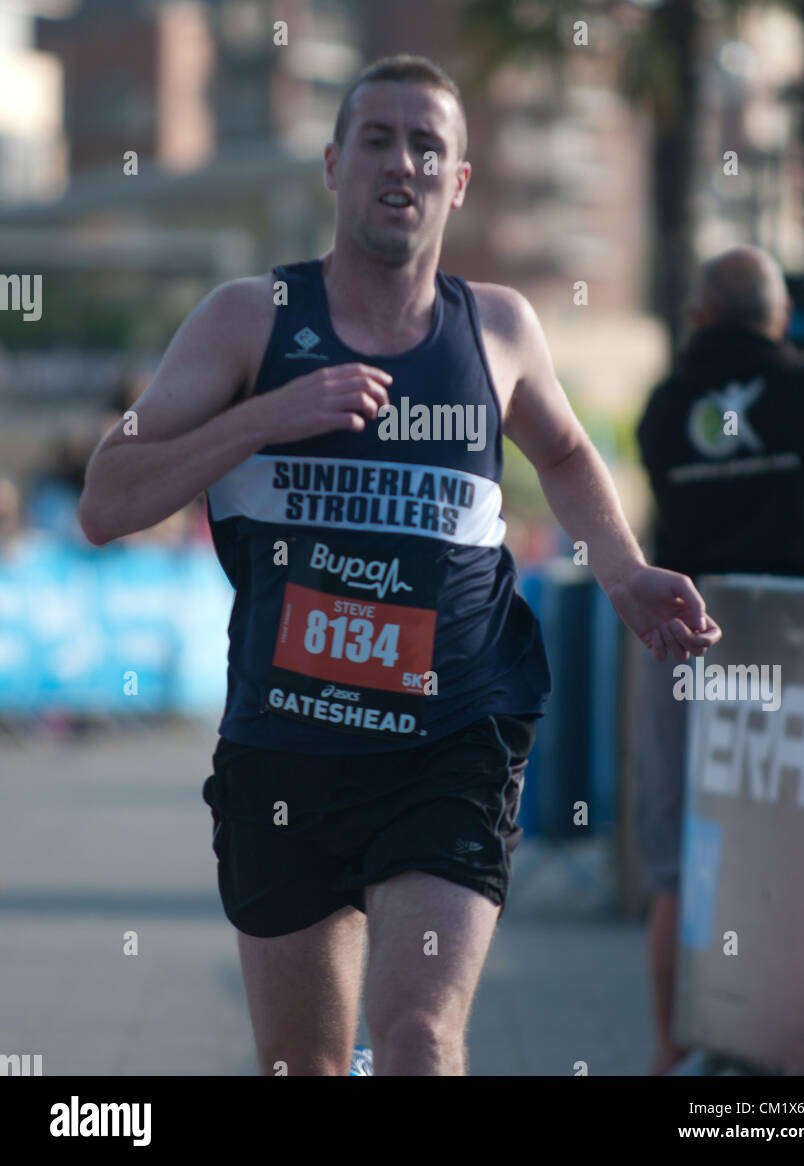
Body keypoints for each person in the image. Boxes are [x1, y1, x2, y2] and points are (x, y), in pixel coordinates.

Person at [78, 53, 721, 1077]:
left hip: (449, 741)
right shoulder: (250, 319)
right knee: (305, 1063)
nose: (402, 162)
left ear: (458, 181)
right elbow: (107, 498)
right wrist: (265, 416)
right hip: (284, 745)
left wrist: (623, 570)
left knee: (420, 1038)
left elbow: (558, 449)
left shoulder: (497, 326)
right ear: (334, 166)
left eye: (428, 146)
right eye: (377, 138)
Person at [635, 244, 804, 1075]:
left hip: (688, 652)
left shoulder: (665, 408)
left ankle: (670, 1053)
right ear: (782, 317)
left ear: (696, 318)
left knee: (677, 863)